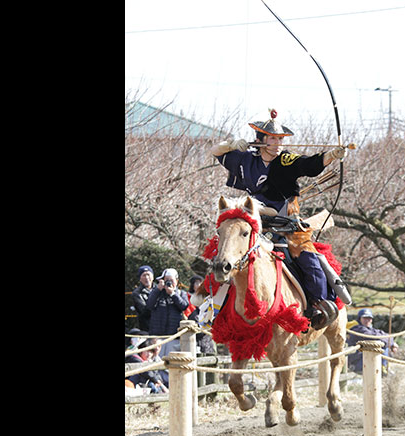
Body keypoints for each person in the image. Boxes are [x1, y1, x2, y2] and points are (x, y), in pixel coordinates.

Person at [210, 109, 349, 330]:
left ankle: (317, 305)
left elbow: (309, 164)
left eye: (280, 139)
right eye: (272, 139)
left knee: (307, 258)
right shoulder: (247, 159)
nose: (277, 144)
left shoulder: (285, 160)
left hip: (287, 223)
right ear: (260, 140)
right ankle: (214, 308)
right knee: (222, 250)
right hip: (253, 221)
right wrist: (232, 144)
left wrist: (331, 156)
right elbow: (216, 151)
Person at [146, 267, 189, 358]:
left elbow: (184, 306)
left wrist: (173, 294)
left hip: (173, 335)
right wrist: (158, 290)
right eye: (166, 280)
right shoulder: (156, 292)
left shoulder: (181, 293)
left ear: (176, 281)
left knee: (171, 362)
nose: (169, 283)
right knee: (157, 362)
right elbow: (149, 305)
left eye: (171, 280)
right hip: (157, 336)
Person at [346, 308, 399, 373]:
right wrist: (391, 344)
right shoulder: (357, 329)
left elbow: (384, 334)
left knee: (383, 347)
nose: (367, 320)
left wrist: (392, 343)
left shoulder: (368, 328)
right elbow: (374, 337)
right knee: (381, 348)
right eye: (365, 318)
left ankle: (383, 368)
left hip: (363, 358)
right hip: (357, 361)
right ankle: (382, 369)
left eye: (369, 318)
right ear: (360, 318)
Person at [187, 274, 216, 354]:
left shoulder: (208, 297)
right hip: (193, 320)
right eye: (196, 283)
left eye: (200, 282)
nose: (199, 285)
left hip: (208, 337)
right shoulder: (189, 297)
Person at [131, 265, 154, 331]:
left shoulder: (159, 289)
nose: (147, 278)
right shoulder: (137, 293)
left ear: (152, 276)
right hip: (147, 328)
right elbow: (145, 312)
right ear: (140, 279)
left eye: (148, 274)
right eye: (144, 275)